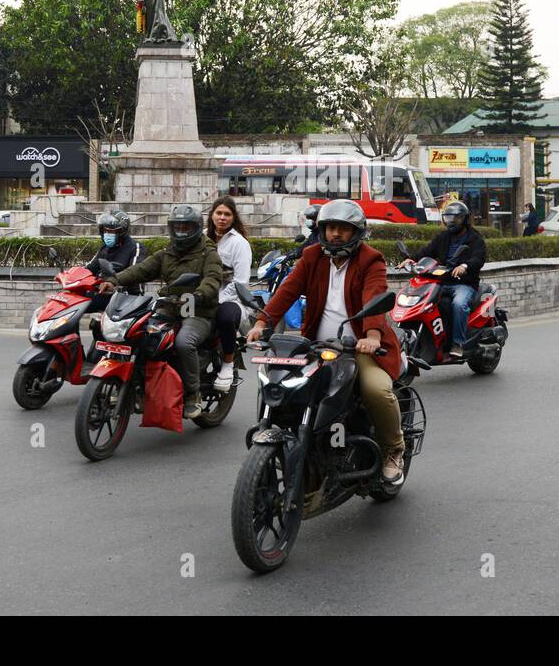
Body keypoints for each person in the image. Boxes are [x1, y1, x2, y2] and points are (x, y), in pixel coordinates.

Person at [249, 199, 406, 484]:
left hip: (356, 345)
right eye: (331, 227)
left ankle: (393, 450)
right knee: (282, 383)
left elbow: (375, 296)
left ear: (356, 232)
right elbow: (287, 290)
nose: (335, 234)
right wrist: (262, 321)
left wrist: (371, 336)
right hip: (316, 346)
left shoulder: (371, 259)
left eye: (343, 229)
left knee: (375, 389)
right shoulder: (311, 257)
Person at [108, 204, 225, 419]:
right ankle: (139, 386)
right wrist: (114, 280)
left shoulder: (208, 253)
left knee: (183, 342)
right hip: (170, 307)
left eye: (186, 228)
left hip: (197, 311)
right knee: (138, 333)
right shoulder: (167, 252)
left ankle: (192, 394)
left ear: (196, 228)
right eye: (177, 227)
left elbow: (213, 279)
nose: (181, 231)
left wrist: (199, 294)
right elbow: (141, 270)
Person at [400, 199, 487, 357]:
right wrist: (412, 259)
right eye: (448, 218)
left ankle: (457, 343)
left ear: (465, 219)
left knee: (459, 304)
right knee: (426, 303)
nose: (451, 221)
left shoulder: (474, 238)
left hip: (464, 283)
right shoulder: (444, 237)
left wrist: (465, 266)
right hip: (442, 281)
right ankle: (436, 339)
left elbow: (479, 258)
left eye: (455, 218)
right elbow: (427, 250)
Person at [207, 197, 252, 393]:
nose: (222, 218)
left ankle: (227, 362)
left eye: (227, 214)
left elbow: (240, 282)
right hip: (202, 295)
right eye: (219, 213)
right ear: (212, 215)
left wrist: (217, 299)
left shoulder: (239, 243)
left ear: (233, 218)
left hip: (231, 299)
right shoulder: (202, 238)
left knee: (225, 317)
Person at [89, 211, 146, 299]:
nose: (107, 234)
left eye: (111, 231)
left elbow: (135, 273)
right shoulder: (104, 248)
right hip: (101, 292)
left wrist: (116, 285)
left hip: (123, 297)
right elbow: (90, 268)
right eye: (105, 231)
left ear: (121, 231)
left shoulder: (135, 247)